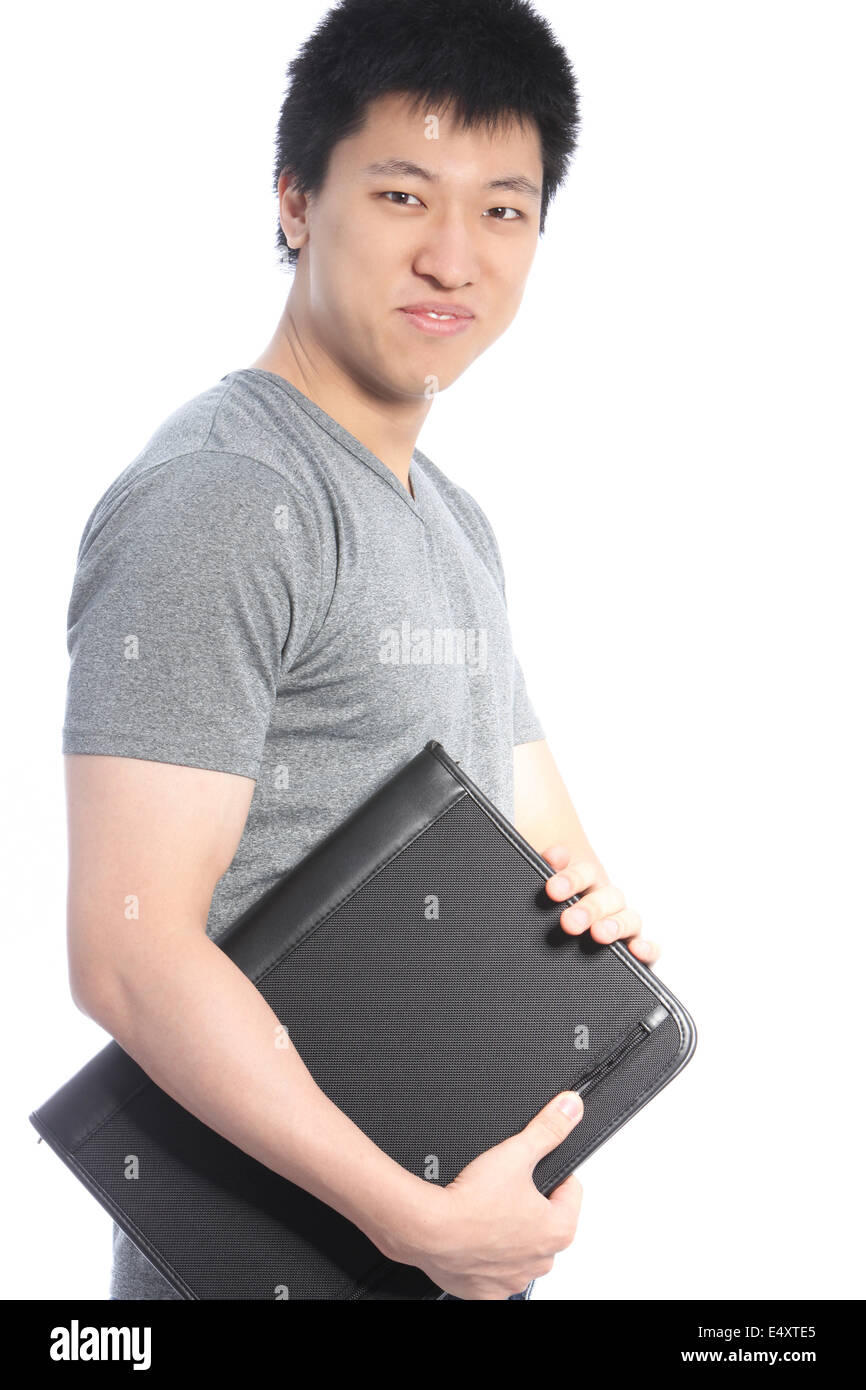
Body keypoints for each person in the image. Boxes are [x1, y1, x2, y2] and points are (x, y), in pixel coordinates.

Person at [64, 0, 661, 1302]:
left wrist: (589, 939)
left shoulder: (453, 523)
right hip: (262, 1265)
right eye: (403, 193)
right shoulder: (218, 495)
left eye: (503, 209)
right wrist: (419, 1222)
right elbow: (125, 950)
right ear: (295, 199)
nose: (454, 257)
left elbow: (550, 849)